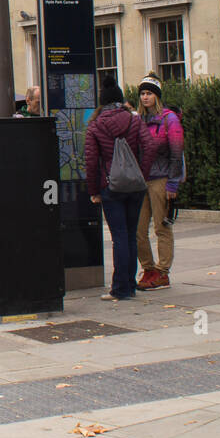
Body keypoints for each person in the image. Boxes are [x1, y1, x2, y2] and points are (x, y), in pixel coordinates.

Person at [84, 79, 158, 301]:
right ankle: (130, 284)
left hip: (110, 186)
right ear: (119, 99)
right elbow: (150, 146)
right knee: (131, 236)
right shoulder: (134, 121)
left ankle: (120, 289)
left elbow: (90, 161)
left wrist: (94, 190)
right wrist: (141, 174)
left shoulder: (95, 125)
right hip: (135, 186)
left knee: (119, 237)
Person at [136, 74, 184, 292]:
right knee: (138, 229)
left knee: (161, 227)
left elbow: (176, 152)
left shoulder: (169, 119)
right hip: (141, 180)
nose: (145, 98)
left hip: (161, 178)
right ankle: (148, 269)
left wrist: (173, 183)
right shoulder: (138, 120)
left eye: (149, 94)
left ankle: (162, 271)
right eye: (142, 94)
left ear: (157, 96)